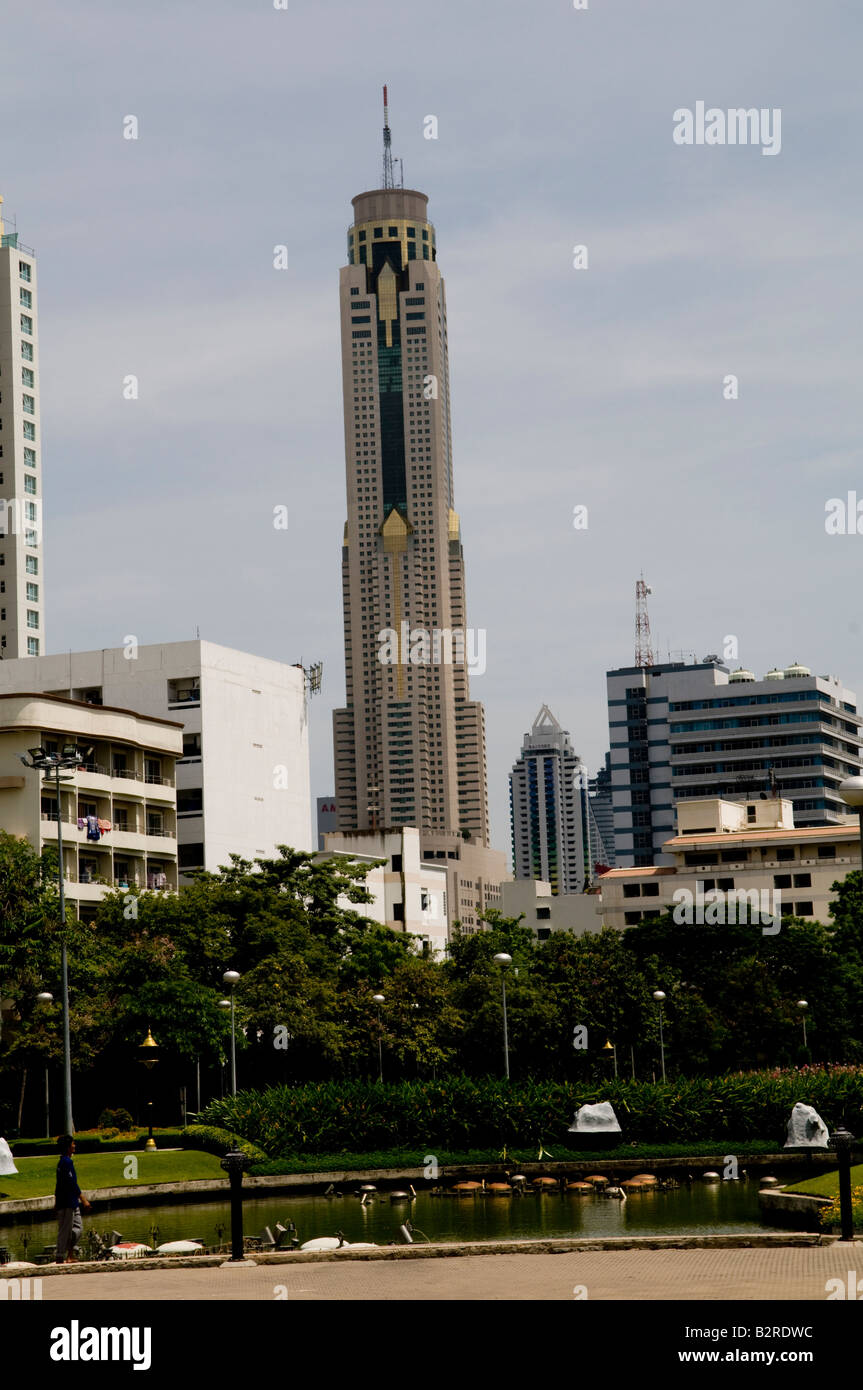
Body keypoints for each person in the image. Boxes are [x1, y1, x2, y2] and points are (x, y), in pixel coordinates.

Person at [54, 1134, 90, 1263]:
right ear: (68, 1147)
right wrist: (83, 1199)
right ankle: (60, 1255)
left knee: (77, 1229)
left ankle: (69, 1254)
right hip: (67, 1202)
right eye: (73, 1144)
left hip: (71, 1201)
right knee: (65, 1229)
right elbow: (70, 1183)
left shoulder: (65, 1162)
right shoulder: (65, 1162)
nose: (74, 1146)